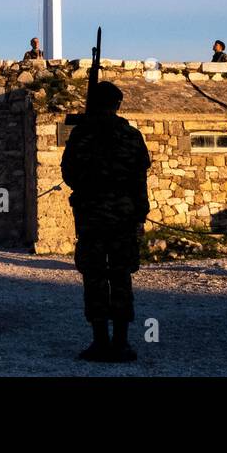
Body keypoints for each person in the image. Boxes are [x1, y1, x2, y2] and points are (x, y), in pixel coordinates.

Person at [61, 80, 150, 362]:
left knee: (95, 276)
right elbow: (140, 180)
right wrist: (139, 214)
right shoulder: (131, 136)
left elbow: (69, 175)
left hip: (91, 217)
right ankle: (121, 342)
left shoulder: (81, 134)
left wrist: (91, 187)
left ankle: (100, 341)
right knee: (121, 275)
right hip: (123, 217)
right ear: (117, 105)